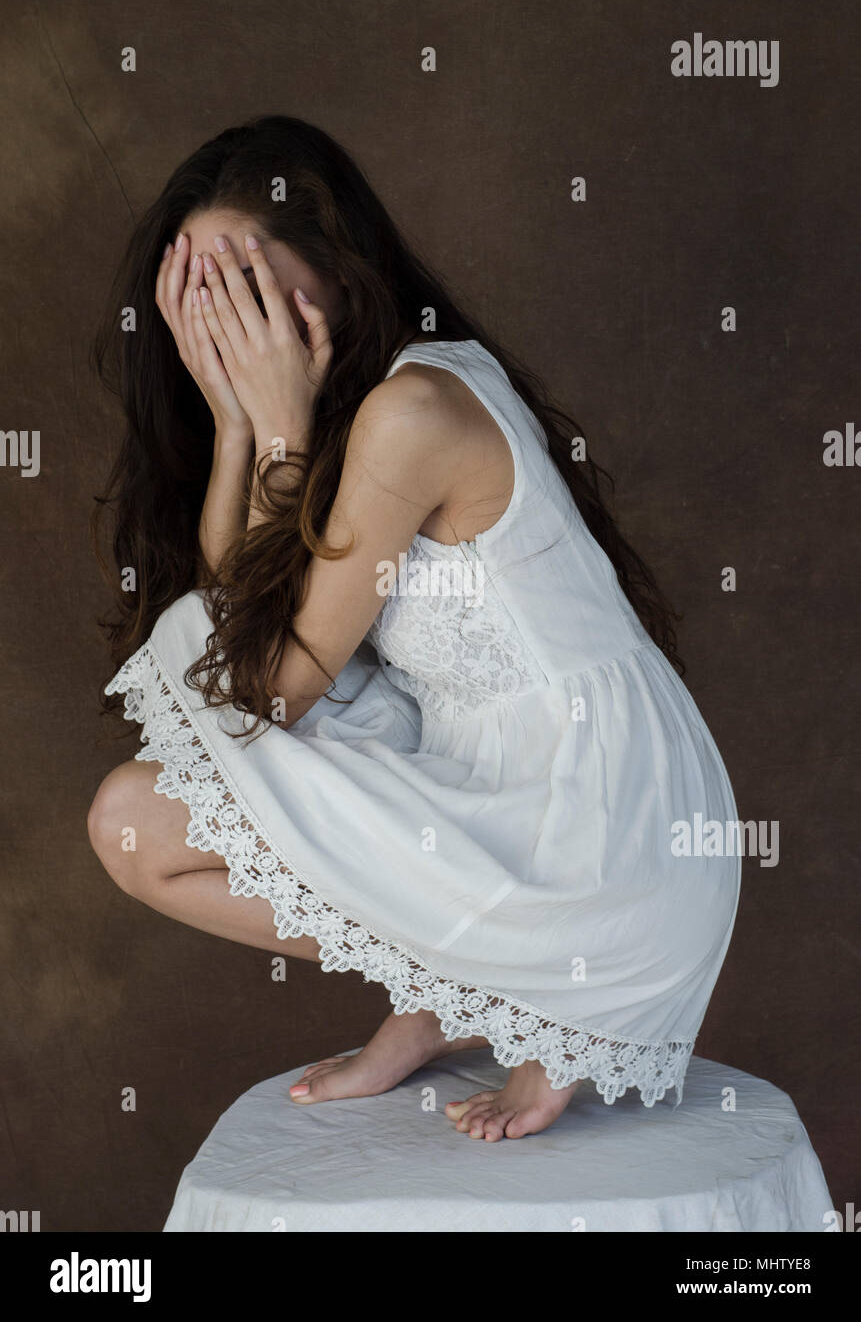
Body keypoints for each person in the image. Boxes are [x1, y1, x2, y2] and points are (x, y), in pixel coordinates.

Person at [88, 115, 741, 1143]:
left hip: (603, 833)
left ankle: (524, 996)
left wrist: (287, 428)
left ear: (339, 267)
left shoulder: (411, 414)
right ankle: (448, 995)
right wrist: (239, 421)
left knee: (145, 814)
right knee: (135, 817)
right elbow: (238, 618)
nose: (231, 319)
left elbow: (265, 693)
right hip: (489, 788)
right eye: (205, 298)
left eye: (252, 287)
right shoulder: (354, 397)